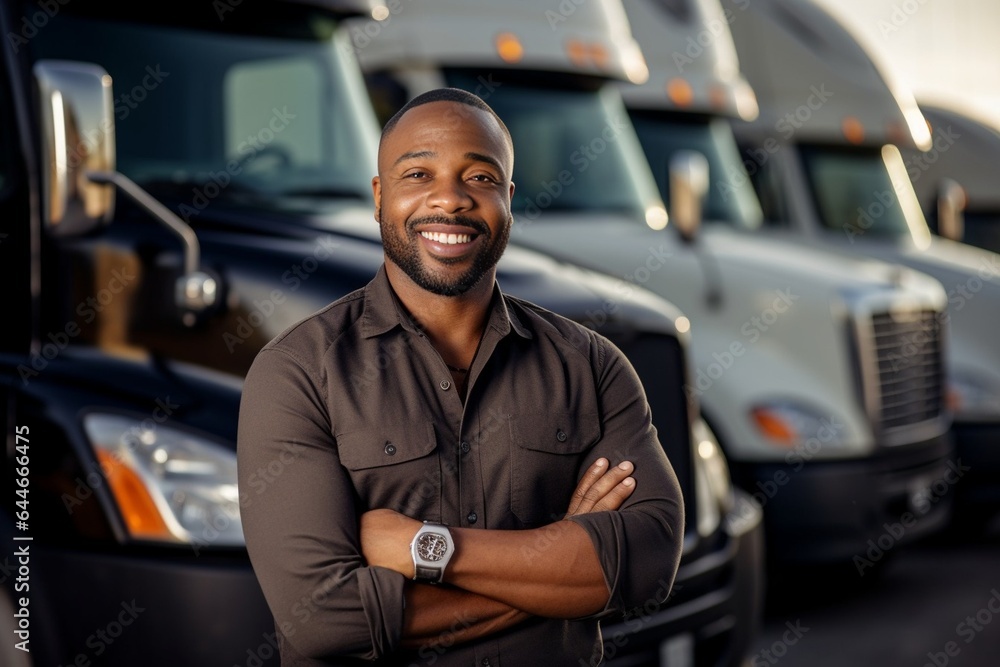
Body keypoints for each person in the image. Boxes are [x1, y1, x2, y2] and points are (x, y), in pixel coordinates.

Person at [237, 87, 684, 666]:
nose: (449, 200)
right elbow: (323, 618)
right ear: (379, 197)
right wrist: (562, 570)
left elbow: (648, 563)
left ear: (508, 199)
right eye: (418, 174)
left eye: (480, 177)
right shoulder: (297, 372)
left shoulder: (592, 366)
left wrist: (425, 548)